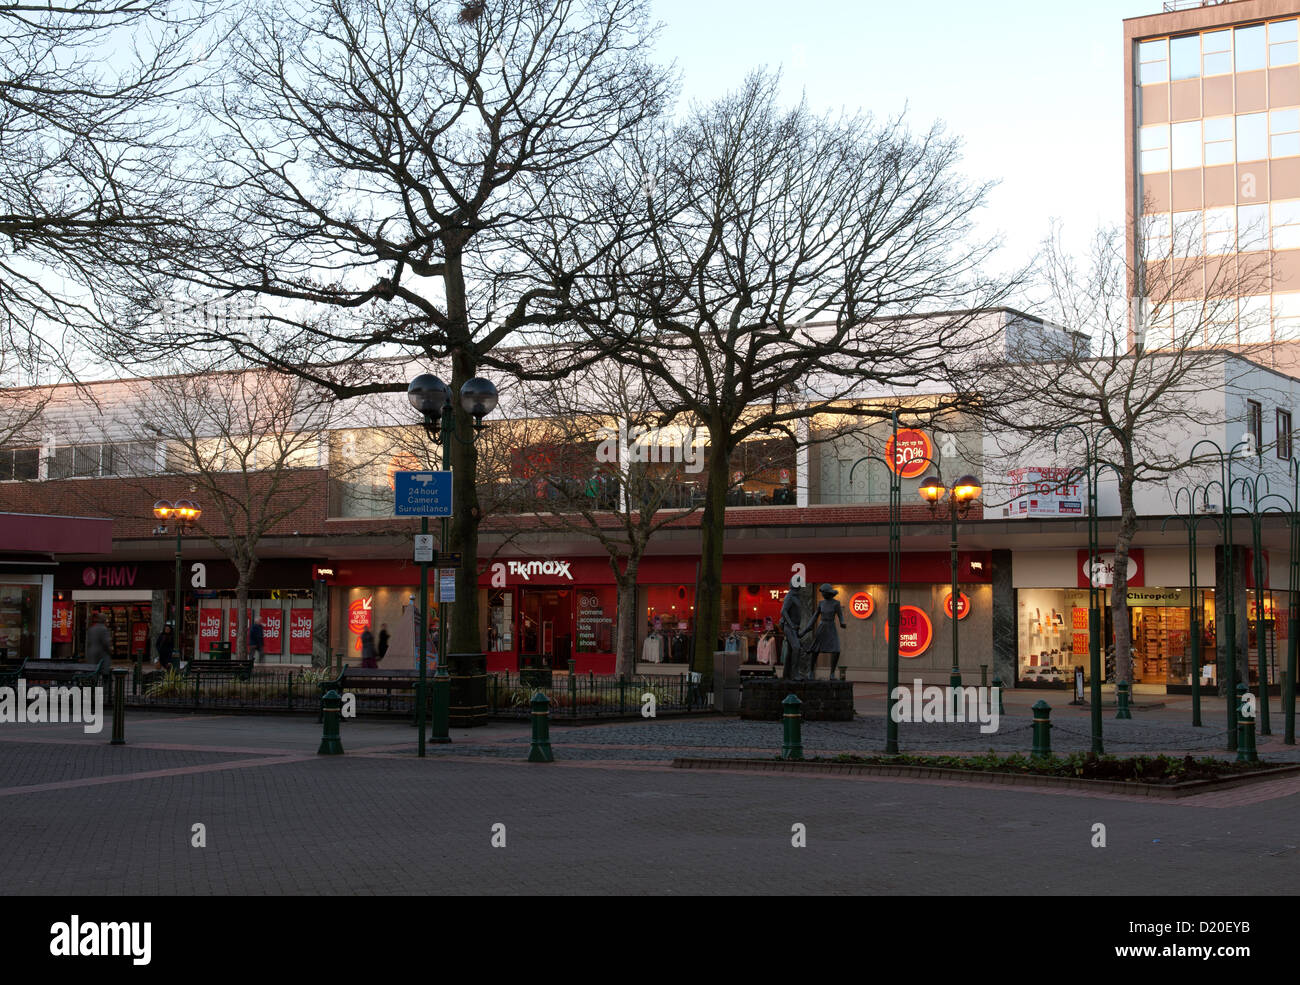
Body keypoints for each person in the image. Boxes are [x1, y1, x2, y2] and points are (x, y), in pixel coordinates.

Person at [85, 611, 113, 685]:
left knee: (93, 674)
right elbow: (106, 643)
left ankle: (93, 690)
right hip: (102, 654)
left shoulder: (91, 629)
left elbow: (88, 642)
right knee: (105, 673)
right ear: (104, 620)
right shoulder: (103, 629)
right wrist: (110, 651)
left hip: (92, 654)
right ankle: (105, 690)